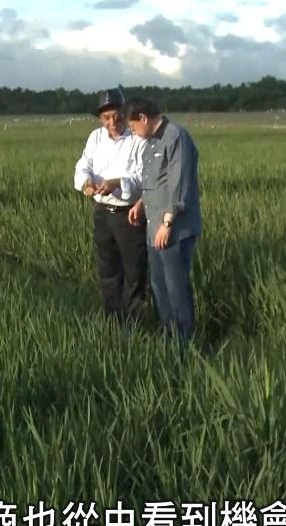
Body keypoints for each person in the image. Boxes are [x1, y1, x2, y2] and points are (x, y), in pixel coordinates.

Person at [123, 97, 202, 351]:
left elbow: (180, 184)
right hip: (153, 229)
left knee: (175, 287)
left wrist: (167, 223)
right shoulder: (150, 144)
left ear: (144, 118)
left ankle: (185, 345)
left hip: (174, 230)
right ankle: (167, 337)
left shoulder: (175, 137)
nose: (134, 133)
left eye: (133, 127)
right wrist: (140, 205)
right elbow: (154, 183)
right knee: (158, 286)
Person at [72, 86, 149, 327]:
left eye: (116, 116)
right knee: (108, 270)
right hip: (103, 213)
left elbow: (142, 179)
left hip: (129, 215)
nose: (112, 122)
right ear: (100, 119)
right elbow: (83, 165)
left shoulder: (138, 140)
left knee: (134, 273)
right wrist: (86, 183)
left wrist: (116, 183)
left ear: (125, 114)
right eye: (106, 118)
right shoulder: (95, 138)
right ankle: (113, 322)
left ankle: (134, 325)